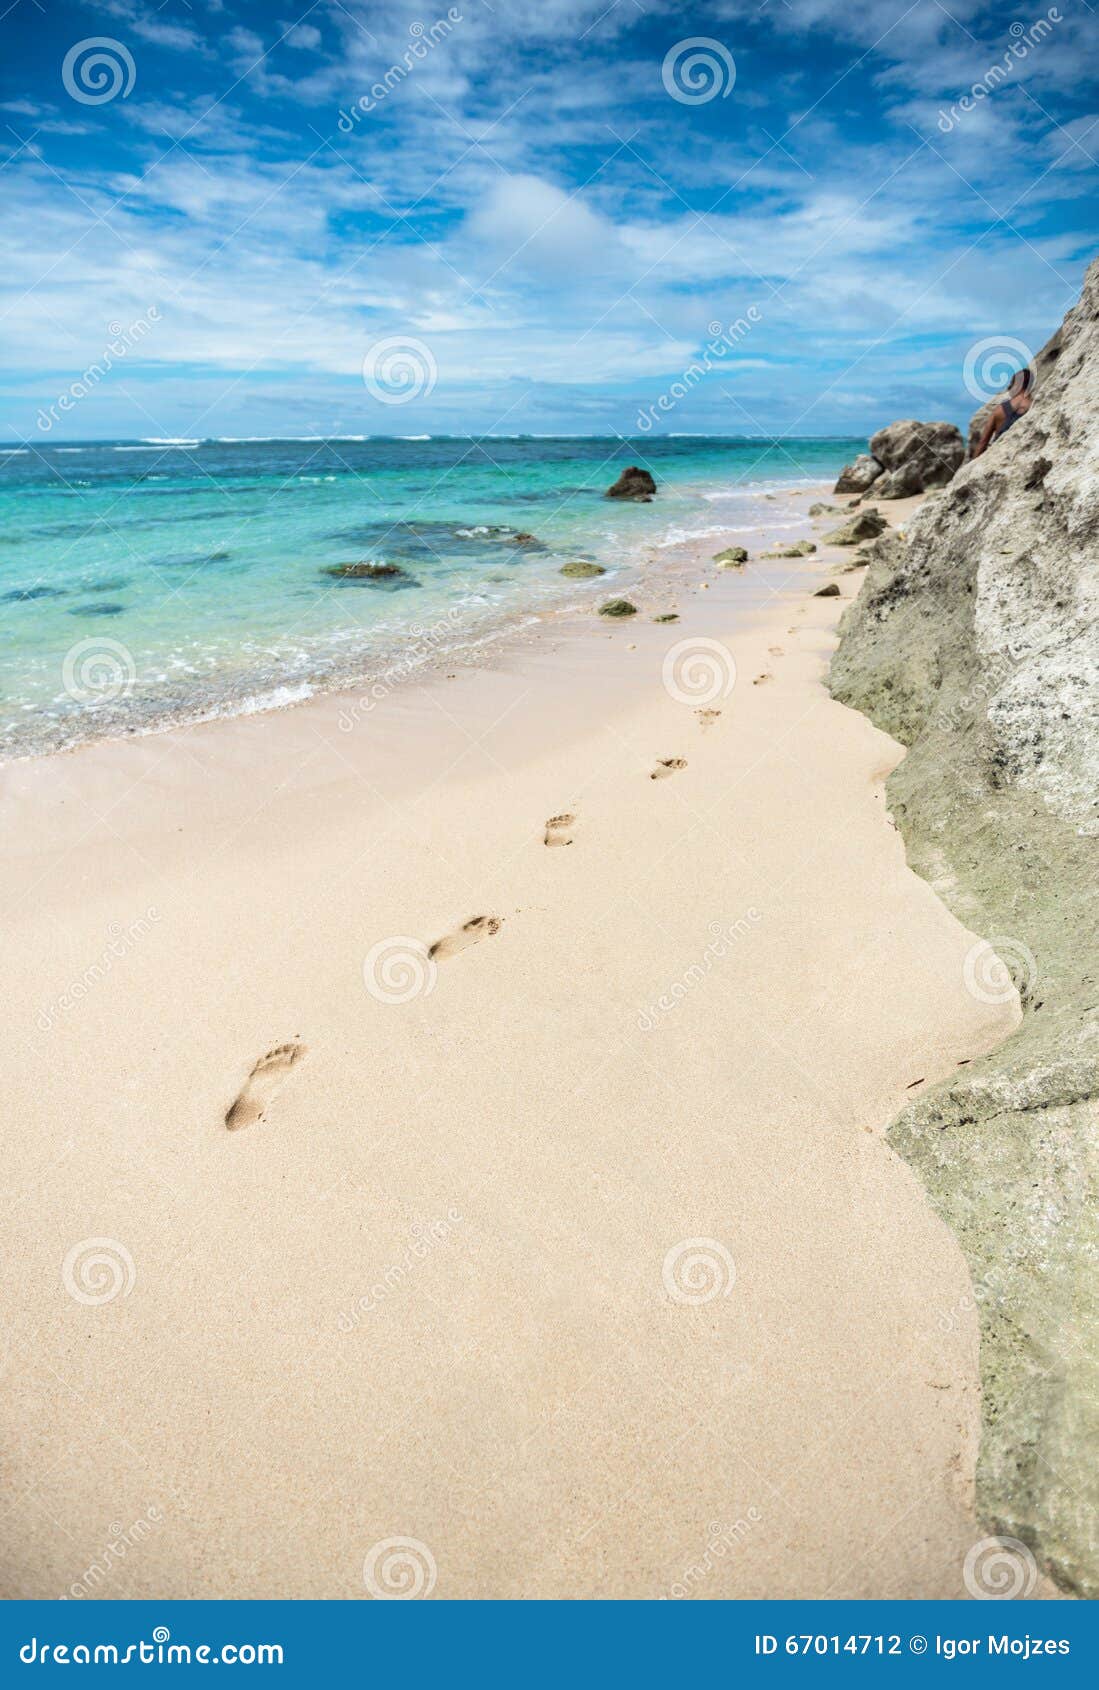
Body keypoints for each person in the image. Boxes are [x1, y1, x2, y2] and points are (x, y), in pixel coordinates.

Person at [972, 367, 1033, 457]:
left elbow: (983, 442)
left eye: (1011, 385)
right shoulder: (1034, 407)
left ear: (1016, 385)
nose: (1009, 389)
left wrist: (972, 466)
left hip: (998, 457)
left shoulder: (999, 410)